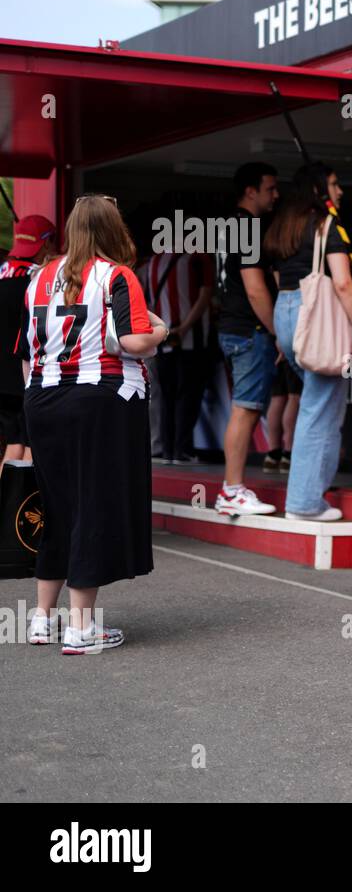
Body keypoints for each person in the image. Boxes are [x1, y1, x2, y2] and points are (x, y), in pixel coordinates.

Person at [21, 195, 169, 654]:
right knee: (91, 506)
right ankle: (83, 628)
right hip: (99, 399)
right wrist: (162, 331)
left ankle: (42, 619)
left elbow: (28, 350)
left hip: (42, 399)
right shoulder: (116, 275)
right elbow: (132, 341)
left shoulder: (38, 277)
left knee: (57, 505)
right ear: (112, 229)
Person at [265, 163, 352, 521]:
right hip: (317, 317)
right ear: (319, 190)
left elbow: (279, 280)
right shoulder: (326, 225)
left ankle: (307, 495)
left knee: (314, 403)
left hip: (286, 314)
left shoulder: (282, 228)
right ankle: (305, 502)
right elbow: (341, 283)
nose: (340, 192)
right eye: (335, 185)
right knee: (319, 410)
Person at [215, 163, 279, 515]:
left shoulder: (227, 227)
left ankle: (232, 488)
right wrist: (277, 331)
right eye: (270, 188)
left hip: (232, 328)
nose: (276, 195)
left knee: (245, 409)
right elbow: (255, 289)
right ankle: (232, 489)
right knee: (245, 409)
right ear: (250, 191)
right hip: (248, 331)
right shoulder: (248, 228)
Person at [141, 234, 215, 465]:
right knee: (187, 394)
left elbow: (148, 302)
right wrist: (184, 328)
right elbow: (205, 296)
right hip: (190, 336)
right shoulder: (198, 256)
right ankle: (183, 450)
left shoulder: (153, 261)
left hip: (163, 338)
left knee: (167, 395)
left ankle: (168, 450)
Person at [0, 214, 56, 460]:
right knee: (27, 448)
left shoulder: (1, 271)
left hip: (2, 381)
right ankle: (18, 500)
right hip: (26, 377)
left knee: (10, 445)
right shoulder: (41, 279)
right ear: (45, 243)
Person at [262, 360, 300, 472]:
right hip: (292, 349)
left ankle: (273, 454)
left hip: (274, 349)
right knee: (294, 397)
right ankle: (288, 454)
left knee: (277, 397)